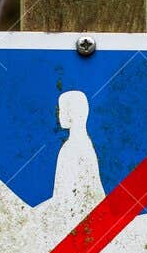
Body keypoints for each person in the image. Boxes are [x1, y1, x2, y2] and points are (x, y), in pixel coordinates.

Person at [43, 89, 104, 237]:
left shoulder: (72, 148)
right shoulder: (80, 144)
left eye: (62, 110)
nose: (59, 115)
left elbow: (65, 198)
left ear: (72, 113)